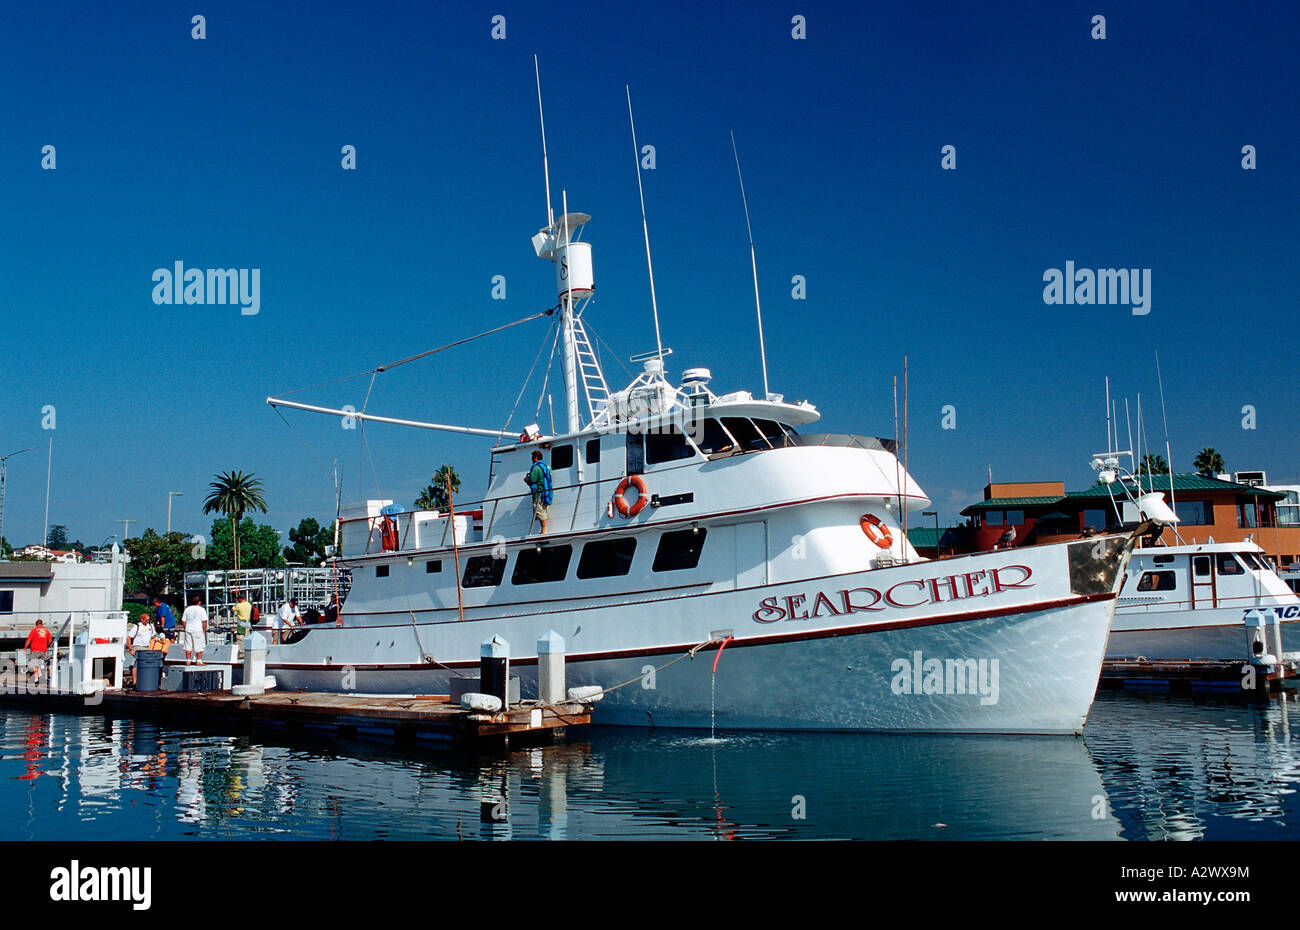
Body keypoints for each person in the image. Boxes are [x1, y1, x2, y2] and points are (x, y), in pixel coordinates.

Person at [524, 450, 553, 534]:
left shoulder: (536, 468)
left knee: (539, 511)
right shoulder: (544, 466)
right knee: (543, 510)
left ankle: (543, 530)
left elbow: (532, 479)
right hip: (545, 492)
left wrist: (526, 480)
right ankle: (543, 529)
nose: (532, 460)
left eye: (532, 458)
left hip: (538, 493)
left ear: (535, 458)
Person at [124, 613, 154, 685]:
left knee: (147, 664)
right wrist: (130, 649)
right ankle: (135, 681)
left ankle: (145, 679)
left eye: (148, 620)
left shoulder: (151, 626)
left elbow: (153, 636)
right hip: (138, 646)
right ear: (142, 619)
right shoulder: (137, 626)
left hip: (147, 646)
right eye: (146, 620)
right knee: (136, 663)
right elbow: (129, 638)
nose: (147, 621)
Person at [23, 619, 54, 686]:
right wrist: (47, 645)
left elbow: (29, 640)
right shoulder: (46, 631)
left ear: (36, 624)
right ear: (42, 624)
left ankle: (36, 678)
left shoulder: (34, 630)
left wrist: (25, 648)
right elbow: (50, 640)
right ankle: (39, 674)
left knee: (34, 664)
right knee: (39, 663)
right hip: (43, 650)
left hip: (35, 650)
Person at [181, 595, 207, 664]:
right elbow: (204, 621)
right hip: (198, 629)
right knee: (199, 646)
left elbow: (183, 620)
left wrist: (185, 628)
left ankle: (188, 660)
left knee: (188, 646)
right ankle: (199, 660)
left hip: (188, 629)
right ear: (199, 602)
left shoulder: (187, 609)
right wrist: (204, 630)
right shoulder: (201, 609)